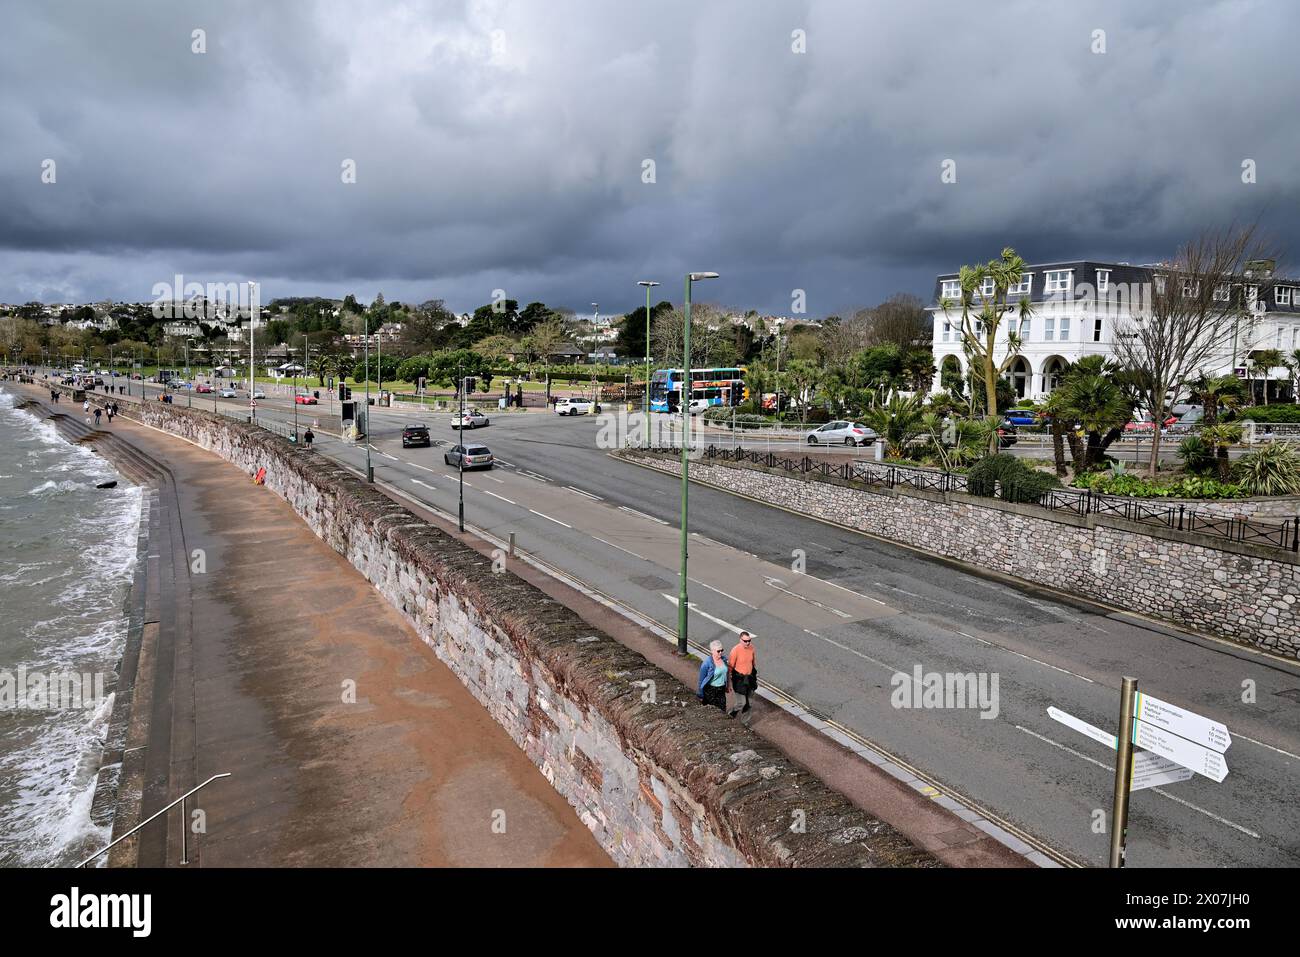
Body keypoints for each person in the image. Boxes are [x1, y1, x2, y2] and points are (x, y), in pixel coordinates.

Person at [728, 632, 758, 719]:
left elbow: (753, 663)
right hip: (739, 680)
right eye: (745, 641)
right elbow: (730, 667)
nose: (747, 643)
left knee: (749, 703)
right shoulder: (735, 650)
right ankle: (731, 713)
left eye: (749, 640)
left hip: (749, 678)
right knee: (741, 703)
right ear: (740, 640)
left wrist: (754, 674)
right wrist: (728, 682)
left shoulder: (751, 648)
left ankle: (744, 722)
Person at [696, 640, 729, 712]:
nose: (721, 652)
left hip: (721, 689)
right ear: (712, 651)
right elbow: (701, 680)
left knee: (723, 710)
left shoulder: (724, 660)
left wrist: (727, 686)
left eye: (722, 650)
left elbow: (727, 673)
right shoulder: (707, 663)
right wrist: (700, 694)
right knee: (712, 711)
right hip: (710, 690)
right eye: (718, 651)